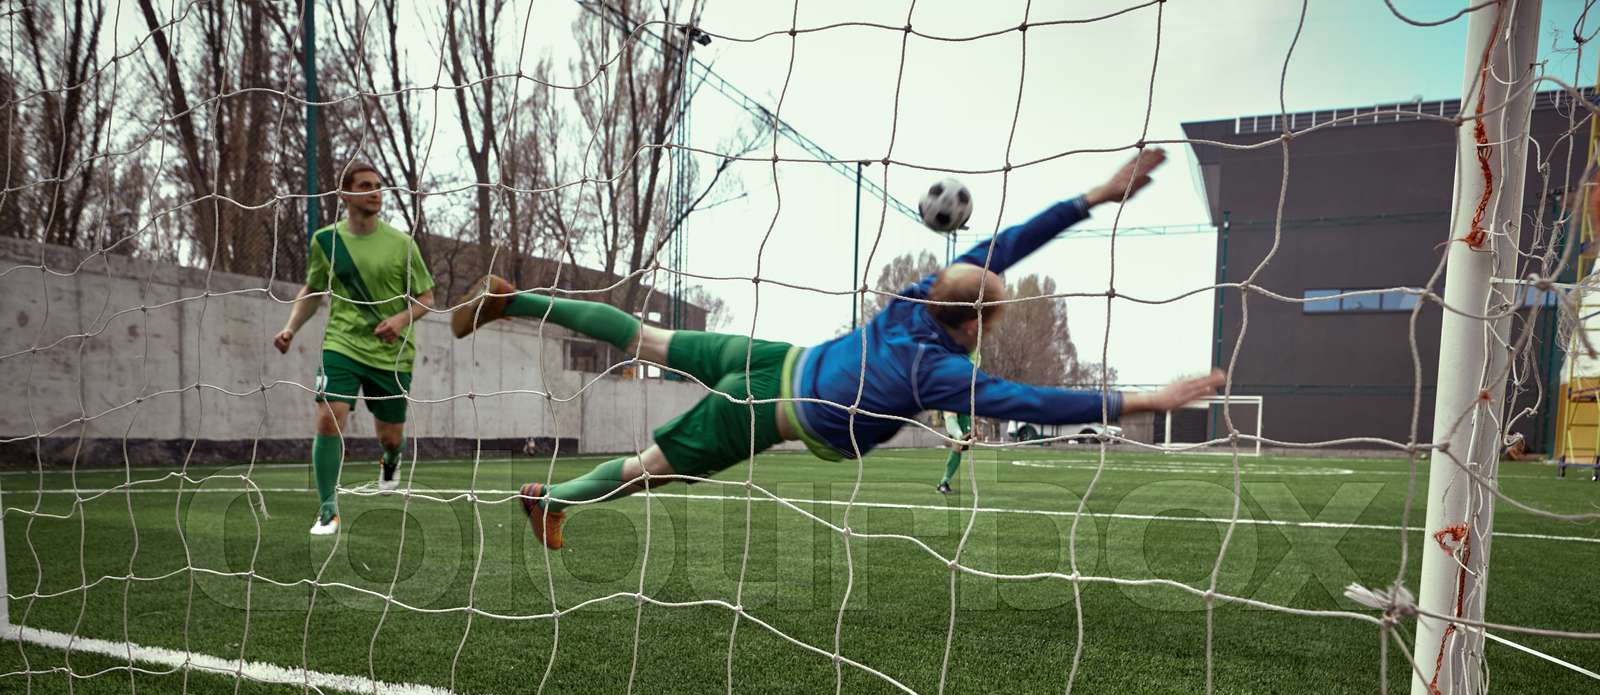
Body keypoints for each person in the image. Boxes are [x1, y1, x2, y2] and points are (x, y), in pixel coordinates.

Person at [452, 148, 1223, 550]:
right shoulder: (940, 368)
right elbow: (1032, 401)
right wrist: (1144, 399)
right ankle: (552, 502)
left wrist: (1096, 195)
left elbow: (1006, 245)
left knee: (648, 335)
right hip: (768, 410)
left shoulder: (917, 295)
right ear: (978, 327)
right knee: (649, 471)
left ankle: (513, 299)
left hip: (768, 356)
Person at [274, 162, 436, 536]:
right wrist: (290, 328)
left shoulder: (402, 245)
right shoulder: (326, 241)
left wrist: (398, 320)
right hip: (342, 344)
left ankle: (390, 460)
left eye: (379, 186)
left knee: (390, 435)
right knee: (330, 416)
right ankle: (328, 509)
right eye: (365, 186)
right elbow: (313, 290)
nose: (375, 192)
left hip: (391, 354)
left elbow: (426, 297)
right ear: (345, 195)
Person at [935, 411, 973, 494]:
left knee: (959, 447)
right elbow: (950, 419)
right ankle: (943, 483)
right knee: (958, 444)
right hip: (953, 407)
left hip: (964, 409)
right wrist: (959, 435)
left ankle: (944, 483)